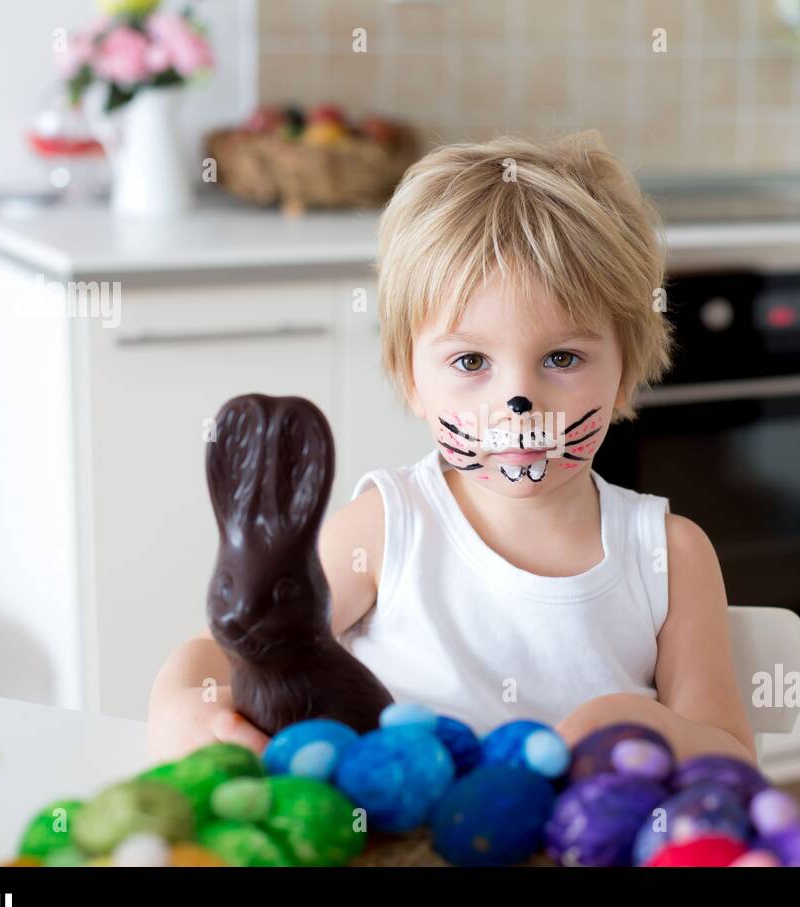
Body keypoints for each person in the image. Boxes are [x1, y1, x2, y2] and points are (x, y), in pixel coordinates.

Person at [149, 131, 756, 766]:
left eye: (562, 357)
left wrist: (635, 723)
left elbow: (732, 758)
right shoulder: (388, 527)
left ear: (626, 369)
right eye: (471, 360)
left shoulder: (669, 555)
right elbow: (230, 649)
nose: (518, 400)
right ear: (412, 379)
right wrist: (185, 706)